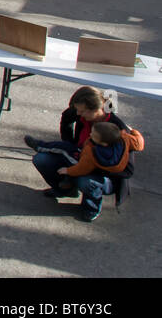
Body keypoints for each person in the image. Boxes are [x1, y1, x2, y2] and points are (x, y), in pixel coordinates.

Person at [25, 86, 143, 222]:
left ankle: (91, 207)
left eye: (82, 111)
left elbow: (128, 171)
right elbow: (67, 117)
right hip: (79, 158)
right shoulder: (84, 117)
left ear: (96, 109)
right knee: (41, 159)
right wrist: (69, 142)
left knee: (84, 180)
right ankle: (65, 190)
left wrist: (93, 166)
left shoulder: (116, 129)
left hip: (101, 173)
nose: (79, 114)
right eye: (77, 110)